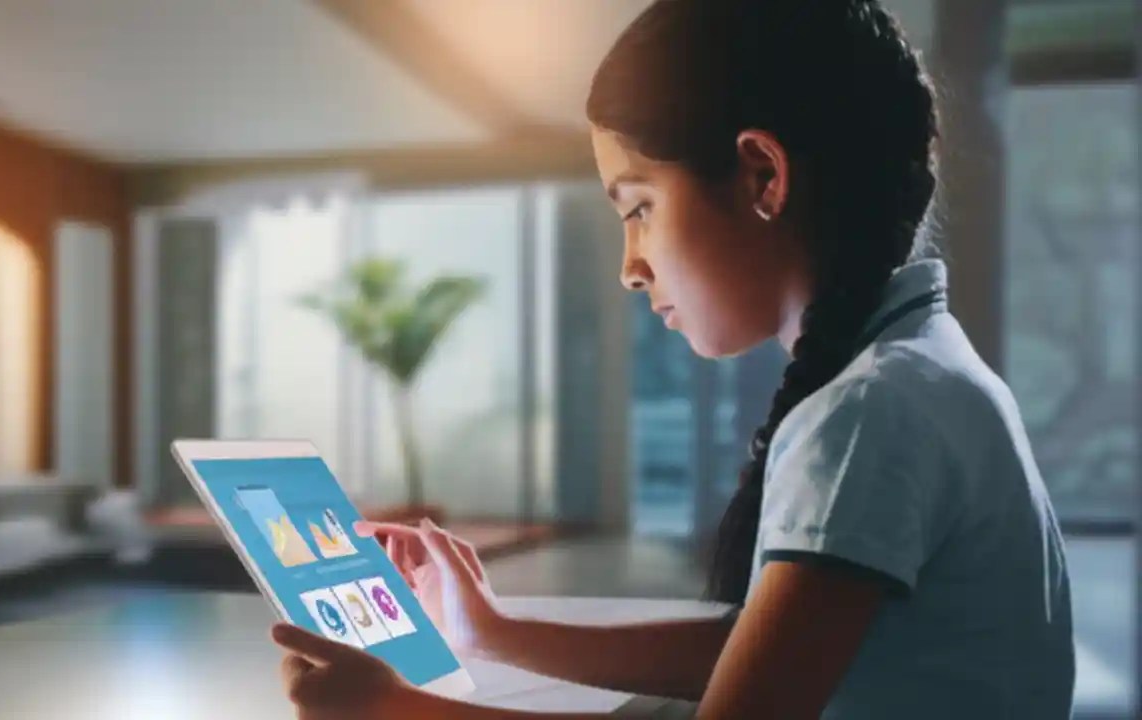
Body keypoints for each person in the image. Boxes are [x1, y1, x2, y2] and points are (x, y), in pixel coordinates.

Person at [269, 0, 1076, 717]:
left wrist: (395, 714)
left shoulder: (868, 414)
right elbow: (769, 653)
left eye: (640, 207)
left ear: (763, 174)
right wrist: (492, 631)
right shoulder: (921, 366)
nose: (630, 265)